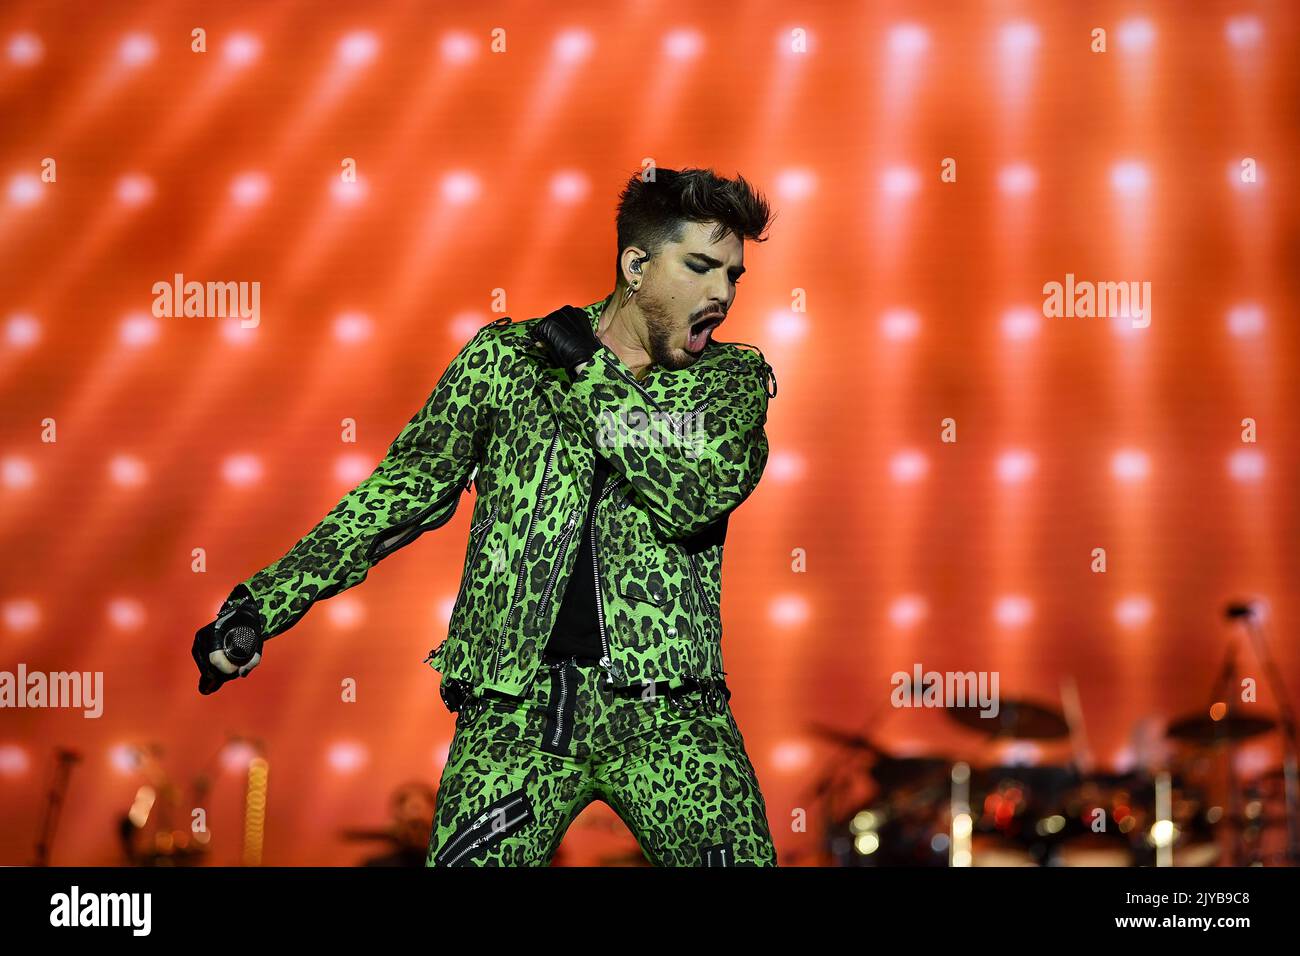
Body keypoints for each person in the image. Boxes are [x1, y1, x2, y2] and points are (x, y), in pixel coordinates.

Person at [193, 166, 780, 866]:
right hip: (514, 710)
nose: (721, 294)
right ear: (636, 264)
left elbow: (689, 495)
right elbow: (397, 496)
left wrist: (587, 369)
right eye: (701, 267)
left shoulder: (729, 381)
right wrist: (262, 604)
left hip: (673, 716)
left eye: (734, 276)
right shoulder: (509, 363)